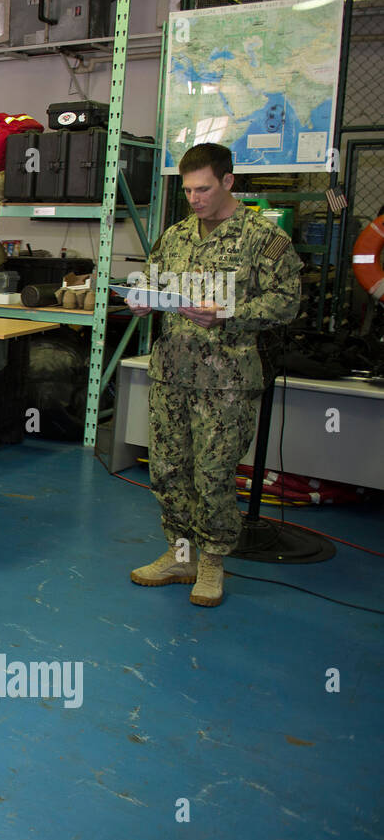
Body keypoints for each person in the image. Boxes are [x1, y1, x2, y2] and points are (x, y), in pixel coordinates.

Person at [128, 142, 302, 606]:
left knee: (212, 476)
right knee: (167, 471)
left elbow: (286, 303)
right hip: (172, 375)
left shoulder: (263, 240)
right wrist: (142, 300)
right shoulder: (176, 236)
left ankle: (212, 564)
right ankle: (181, 555)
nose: (195, 199)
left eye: (203, 188)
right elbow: (152, 282)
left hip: (226, 383)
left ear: (228, 182)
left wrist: (229, 313)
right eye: (187, 190)